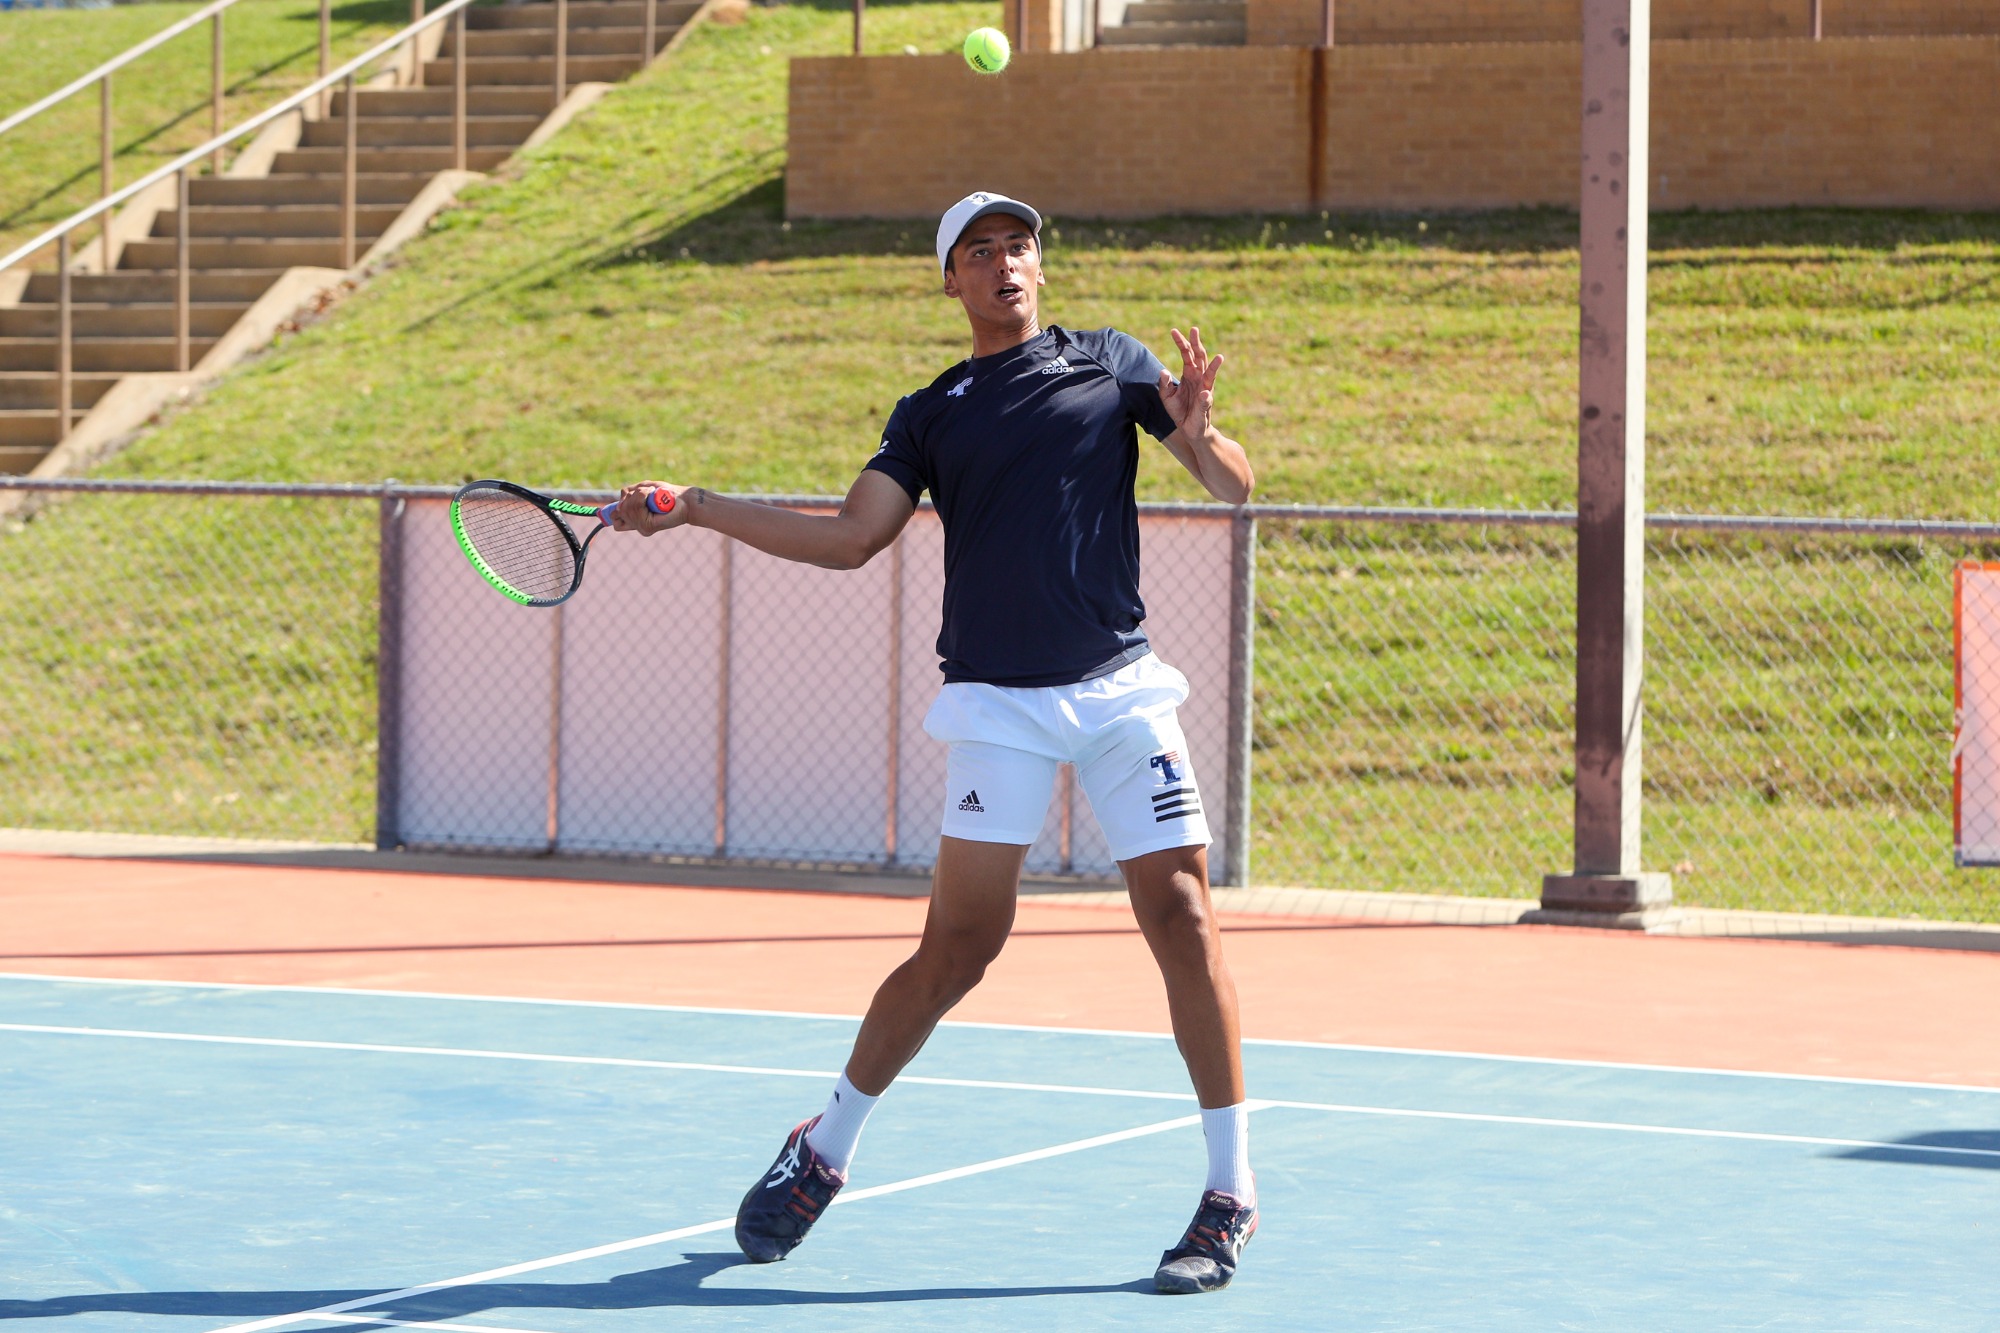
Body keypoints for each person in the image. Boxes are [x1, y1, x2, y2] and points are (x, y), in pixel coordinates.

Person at [612, 190, 1258, 1295]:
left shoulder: (1108, 363)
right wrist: (700, 506)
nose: (1004, 264)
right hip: (999, 704)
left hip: (1116, 691)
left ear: (1039, 270)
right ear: (948, 281)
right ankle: (823, 1151)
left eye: (1019, 247)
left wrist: (1199, 435)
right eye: (979, 253)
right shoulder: (929, 412)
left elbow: (1233, 484)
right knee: (959, 946)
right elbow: (852, 538)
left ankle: (1226, 1194)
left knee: (1182, 914)